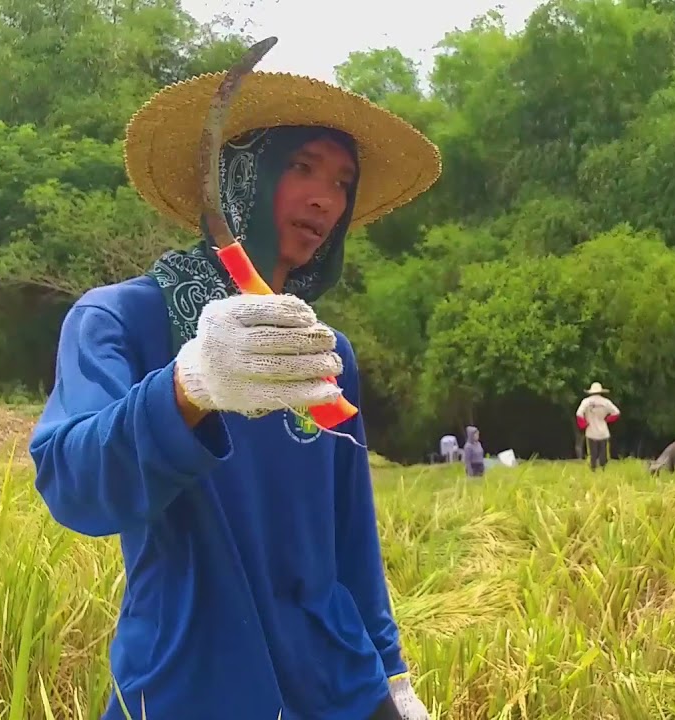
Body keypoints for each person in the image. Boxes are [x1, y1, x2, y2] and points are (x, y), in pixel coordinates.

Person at [28, 67, 443, 720]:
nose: (325, 201)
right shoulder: (119, 320)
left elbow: (350, 532)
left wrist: (391, 673)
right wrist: (189, 386)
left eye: (342, 182)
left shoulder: (325, 353)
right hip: (188, 684)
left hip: (338, 685)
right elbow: (72, 486)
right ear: (240, 176)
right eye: (303, 167)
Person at [574, 382, 620, 470]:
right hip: (603, 431)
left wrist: (584, 424)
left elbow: (579, 413)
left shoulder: (586, 402)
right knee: (603, 453)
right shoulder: (606, 402)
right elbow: (616, 412)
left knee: (592, 453)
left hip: (591, 431)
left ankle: (593, 469)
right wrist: (607, 419)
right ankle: (603, 469)